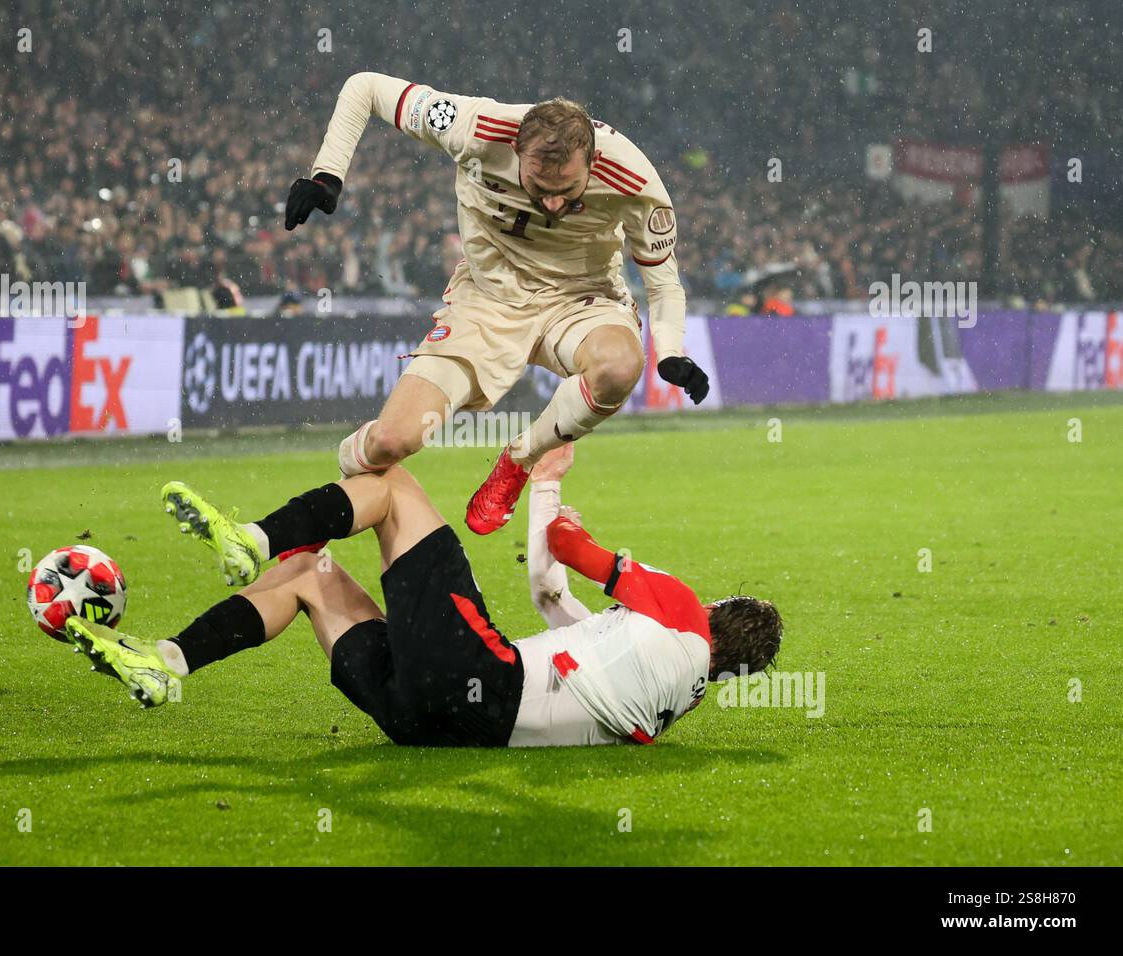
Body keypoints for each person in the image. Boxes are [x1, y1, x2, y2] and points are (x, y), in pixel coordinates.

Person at [63, 447, 782, 747]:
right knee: (312, 573)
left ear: (719, 611)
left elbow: (562, 556)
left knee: (394, 486)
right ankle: (167, 661)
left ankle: (252, 537)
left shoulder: (685, 611)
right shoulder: (673, 699)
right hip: (424, 725)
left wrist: (552, 477)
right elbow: (552, 599)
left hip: (483, 678)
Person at [283, 73, 711, 537]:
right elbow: (365, 87)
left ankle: (521, 458)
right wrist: (328, 174)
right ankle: (332, 490)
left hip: (581, 300)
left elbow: (664, 284)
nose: (550, 201)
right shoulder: (474, 126)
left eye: (566, 189)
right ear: (517, 151)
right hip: (487, 300)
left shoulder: (634, 180)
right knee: (393, 440)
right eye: (538, 184)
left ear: (591, 160)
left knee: (620, 365)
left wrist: (670, 351)